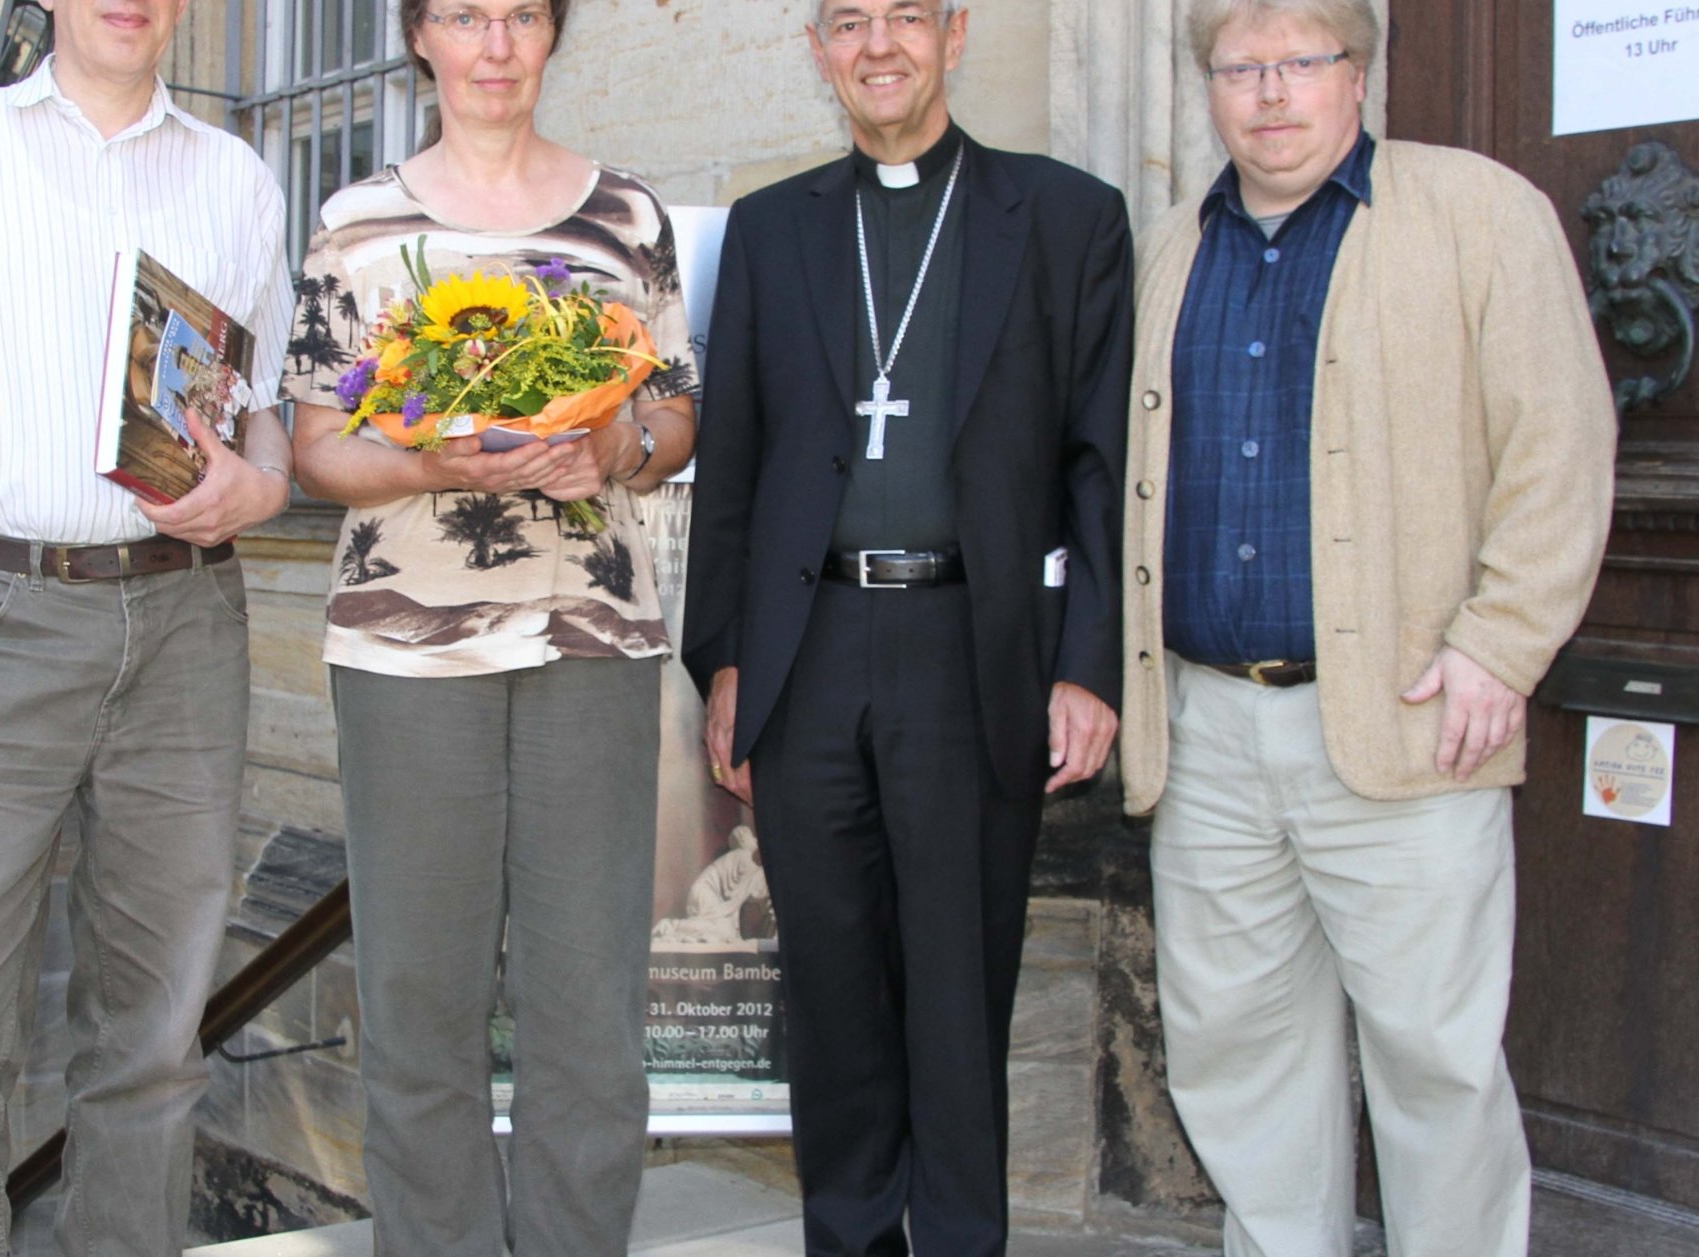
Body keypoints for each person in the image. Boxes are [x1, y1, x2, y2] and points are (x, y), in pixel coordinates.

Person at [1120, 1, 1616, 1251]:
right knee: (1237, 1052)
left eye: (1303, 61)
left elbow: (1562, 442)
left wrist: (1502, 643)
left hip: (1410, 720)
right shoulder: (1173, 243)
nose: (1271, 92)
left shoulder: (1481, 212)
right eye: (1242, 66)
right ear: (1208, 85)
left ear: (1359, 73)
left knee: (1433, 1062)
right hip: (1209, 729)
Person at [0, 0, 296, 1251]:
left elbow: (261, 422)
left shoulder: (238, 181)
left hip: (187, 629)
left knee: (149, 1043)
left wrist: (263, 486)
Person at [682, 2, 1132, 1251]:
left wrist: (1085, 665)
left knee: (955, 992)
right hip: (811, 651)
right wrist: (725, 659)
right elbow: (736, 469)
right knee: (831, 993)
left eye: (905, 18)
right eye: (846, 22)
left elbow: (1098, 464)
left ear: (955, 34)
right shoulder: (774, 231)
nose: (878, 46)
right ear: (818, 48)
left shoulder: (1065, 217)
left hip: (971, 651)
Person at [283, 1, 698, 1248]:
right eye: (466, 13)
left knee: (589, 1015)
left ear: (553, 34)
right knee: (420, 1010)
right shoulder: (356, 224)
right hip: (409, 660)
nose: (497, 42)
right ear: (421, 36)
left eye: (522, 13)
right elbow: (314, 444)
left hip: (593, 648)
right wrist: (429, 469)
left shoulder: (628, 217)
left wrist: (618, 445)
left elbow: (680, 415)